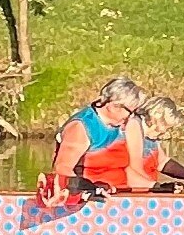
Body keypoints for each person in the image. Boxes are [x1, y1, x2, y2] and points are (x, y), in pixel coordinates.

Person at [40, 77, 176, 201]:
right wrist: (92, 188)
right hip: (86, 201)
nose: (131, 117)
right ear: (114, 105)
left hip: (117, 197)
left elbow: (127, 172)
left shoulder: (123, 127)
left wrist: (158, 187)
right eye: (130, 112)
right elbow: (62, 170)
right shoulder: (81, 127)